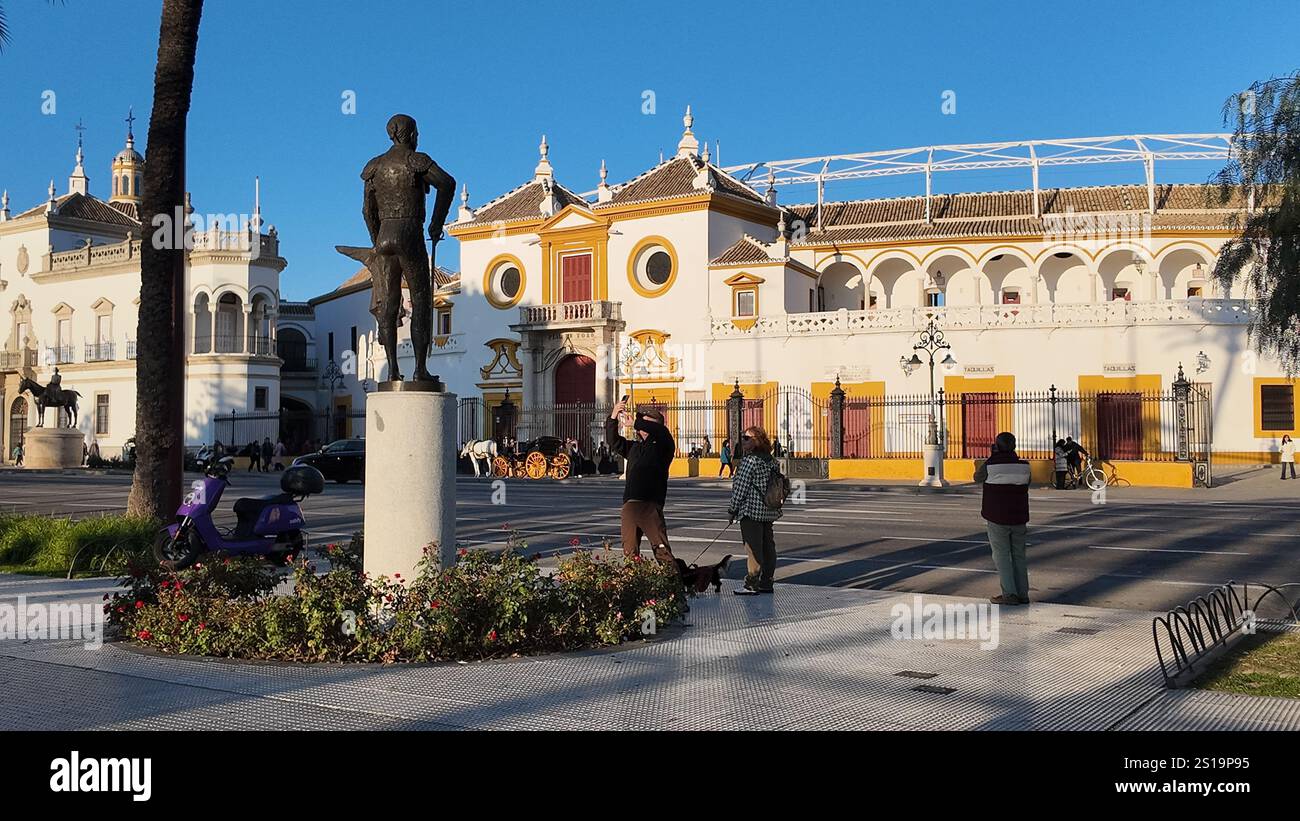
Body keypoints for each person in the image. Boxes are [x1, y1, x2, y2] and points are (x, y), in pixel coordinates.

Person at [605, 399, 678, 568]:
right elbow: (613, 441)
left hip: (650, 504)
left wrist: (636, 423)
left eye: (646, 423)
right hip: (630, 504)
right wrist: (613, 416)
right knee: (629, 552)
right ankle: (634, 588)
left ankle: (675, 587)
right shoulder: (635, 448)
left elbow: (659, 431)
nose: (642, 428)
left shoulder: (663, 444)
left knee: (662, 551)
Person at [974, 432, 1031, 606]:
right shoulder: (1025, 466)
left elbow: (977, 478)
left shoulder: (990, 465)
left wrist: (991, 458)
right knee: (1019, 555)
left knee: (1002, 556)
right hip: (1019, 516)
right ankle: (1023, 593)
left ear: (997, 446)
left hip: (997, 517)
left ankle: (1009, 594)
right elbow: (1027, 483)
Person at [727, 426, 780, 595]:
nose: (743, 440)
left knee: (753, 549)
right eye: (743, 437)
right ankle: (767, 582)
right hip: (768, 510)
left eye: (747, 438)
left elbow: (740, 488)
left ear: (756, 441)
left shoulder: (749, 461)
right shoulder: (771, 461)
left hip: (751, 510)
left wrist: (732, 509)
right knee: (768, 547)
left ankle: (751, 584)